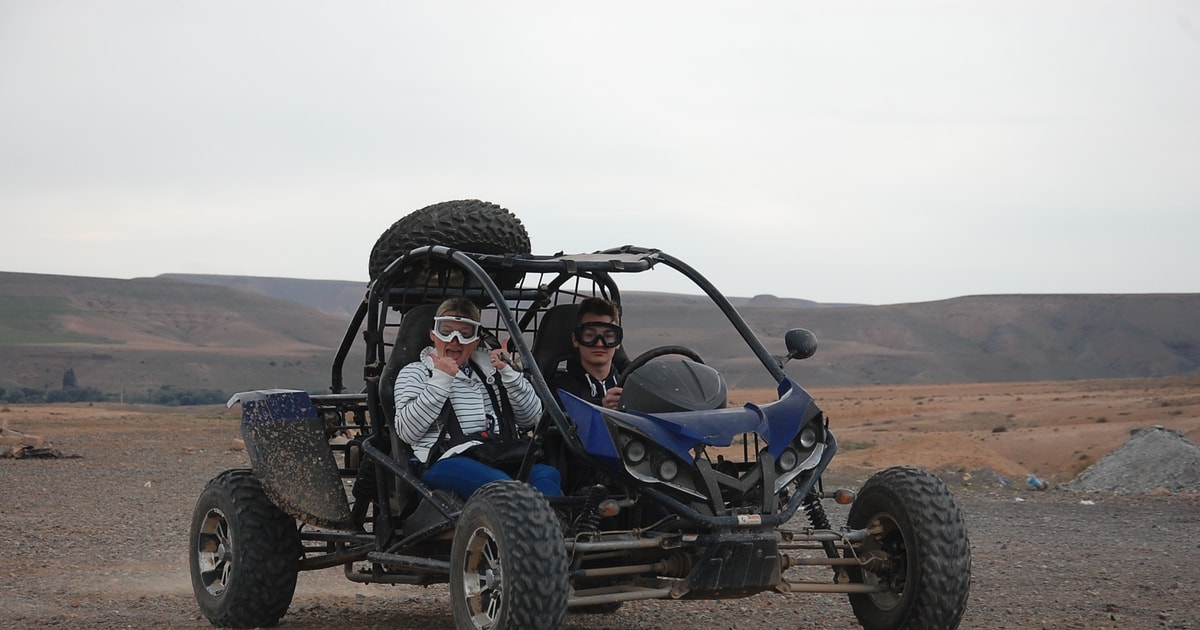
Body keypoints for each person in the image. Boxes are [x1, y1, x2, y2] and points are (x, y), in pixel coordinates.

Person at [393, 297, 560, 498]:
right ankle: (531, 522)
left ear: (475, 341)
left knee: (547, 475)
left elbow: (530, 419)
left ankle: (553, 522)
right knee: (502, 486)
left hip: (500, 454)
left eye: (465, 333)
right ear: (433, 335)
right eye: (446, 332)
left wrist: (509, 374)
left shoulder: (492, 372)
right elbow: (407, 432)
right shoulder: (416, 373)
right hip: (446, 459)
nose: (454, 340)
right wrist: (440, 381)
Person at [550, 297, 624, 410]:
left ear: (618, 342)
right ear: (576, 339)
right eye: (590, 336)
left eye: (608, 336)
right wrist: (602, 407)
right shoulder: (559, 392)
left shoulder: (628, 387)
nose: (599, 343)